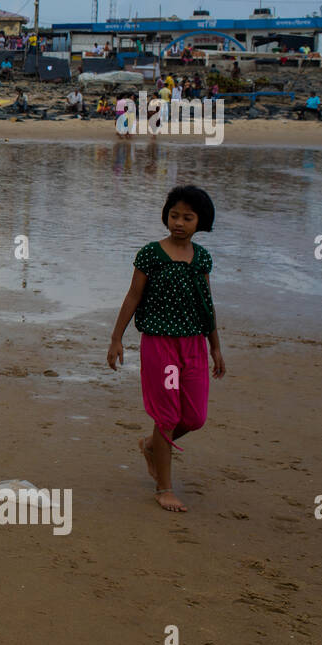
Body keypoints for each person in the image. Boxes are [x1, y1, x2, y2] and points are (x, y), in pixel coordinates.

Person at [107, 185, 224, 513]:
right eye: (174, 215)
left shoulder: (201, 258)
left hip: (194, 346)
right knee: (168, 415)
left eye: (188, 217)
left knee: (195, 417)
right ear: (166, 216)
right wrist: (117, 338)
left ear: (200, 222)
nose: (179, 222)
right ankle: (164, 487)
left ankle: (150, 447)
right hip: (161, 346)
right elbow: (133, 296)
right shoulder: (151, 255)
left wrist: (215, 347)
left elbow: (207, 304)